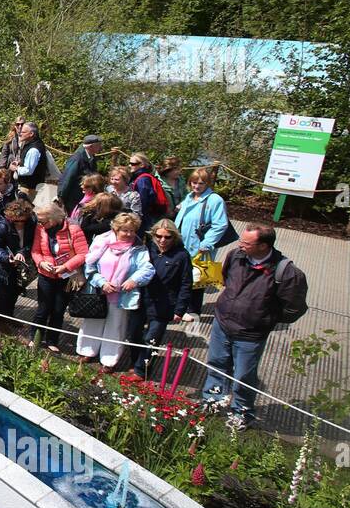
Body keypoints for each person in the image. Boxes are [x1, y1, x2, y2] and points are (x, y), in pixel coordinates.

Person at [199, 224, 309, 423]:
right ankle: (212, 401)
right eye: (241, 241)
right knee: (216, 365)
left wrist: (263, 319)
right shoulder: (236, 256)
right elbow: (225, 279)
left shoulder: (287, 273)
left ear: (264, 246)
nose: (240, 245)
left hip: (250, 334)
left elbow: (295, 309)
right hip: (222, 324)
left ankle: (241, 413)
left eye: (246, 243)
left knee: (243, 376)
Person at [77, 212, 154, 369]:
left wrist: (134, 280)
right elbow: (89, 265)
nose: (129, 234)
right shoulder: (102, 241)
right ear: (116, 229)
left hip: (122, 295)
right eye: (125, 230)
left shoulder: (139, 248)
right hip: (99, 291)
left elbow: (147, 268)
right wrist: (101, 282)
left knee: (116, 327)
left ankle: (109, 360)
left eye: (132, 230)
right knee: (92, 322)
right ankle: (87, 351)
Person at [130, 218, 191, 379]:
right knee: (134, 333)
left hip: (164, 303)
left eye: (167, 237)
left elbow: (186, 284)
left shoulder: (182, 256)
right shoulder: (147, 249)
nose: (162, 240)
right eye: (159, 236)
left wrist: (180, 309)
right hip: (142, 298)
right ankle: (134, 362)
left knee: (152, 338)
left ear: (174, 237)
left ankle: (141, 370)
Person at [31, 203, 89, 352]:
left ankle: (52, 340)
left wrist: (66, 267)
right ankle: (34, 337)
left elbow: (83, 254)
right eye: (40, 221)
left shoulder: (74, 230)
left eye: (44, 221)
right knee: (43, 309)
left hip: (65, 277)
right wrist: (41, 263)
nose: (41, 224)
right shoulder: (41, 229)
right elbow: (35, 251)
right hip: (46, 275)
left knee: (58, 310)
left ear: (55, 218)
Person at [173, 166, 229, 322]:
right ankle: (180, 307)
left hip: (199, 246)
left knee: (198, 278)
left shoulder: (214, 200)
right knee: (182, 277)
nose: (196, 186)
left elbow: (220, 224)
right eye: (194, 183)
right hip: (182, 243)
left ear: (208, 184)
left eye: (201, 184)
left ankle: (194, 310)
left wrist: (207, 243)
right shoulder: (190, 197)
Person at [0, 198, 36, 326]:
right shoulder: (3, 226)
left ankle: (9, 317)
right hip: (4, 267)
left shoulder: (31, 223)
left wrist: (22, 252)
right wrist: (7, 258)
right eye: (16, 221)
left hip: (21, 266)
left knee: (15, 292)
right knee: (4, 295)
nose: (20, 224)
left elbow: (32, 243)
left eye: (22, 221)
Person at [58, 135, 104, 216]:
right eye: (99, 145)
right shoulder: (77, 158)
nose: (101, 147)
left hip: (84, 195)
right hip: (74, 197)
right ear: (91, 146)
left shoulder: (91, 156)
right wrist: (61, 196)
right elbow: (68, 177)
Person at [127, 151, 169, 232]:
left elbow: (142, 201)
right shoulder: (141, 176)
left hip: (146, 217)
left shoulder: (142, 180)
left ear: (142, 165)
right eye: (129, 163)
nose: (129, 165)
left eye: (133, 164)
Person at [12, 121, 48, 192]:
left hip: (29, 188)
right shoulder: (34, 143)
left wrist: (15, 168)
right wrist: (20, 162)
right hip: (31, 186)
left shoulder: (33, 149)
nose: (20, 134)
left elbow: (28, 170)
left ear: (31, 134)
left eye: (23, 132)